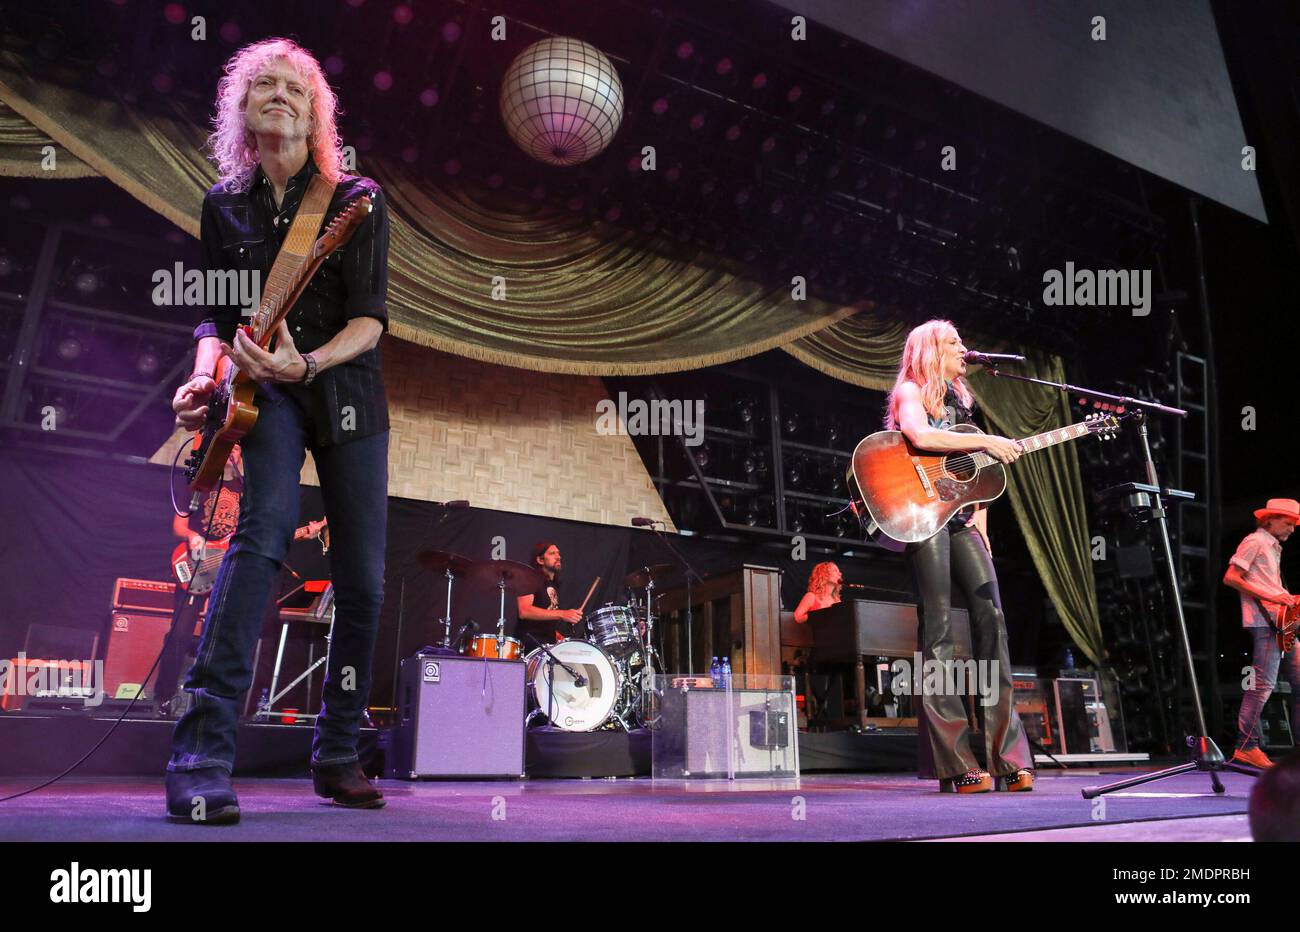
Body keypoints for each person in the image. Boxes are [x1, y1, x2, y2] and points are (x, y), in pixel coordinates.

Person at [167, 38, 390, 823]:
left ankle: (337, 753)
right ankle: (200, 756)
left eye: (296, 87)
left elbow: (371, 321)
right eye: (263, 84)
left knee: (362, 580)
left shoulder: (356, 197)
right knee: (261, 534)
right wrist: (205, 374)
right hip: (265, 389)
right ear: (242, 108)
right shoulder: (222, 204)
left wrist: (311, 362)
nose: (280, 94)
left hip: (345, 389)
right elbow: (217, 314)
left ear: (316, 111)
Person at [884, 319, 1033, 793]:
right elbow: (922, 436)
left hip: (963, 521)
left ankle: (1007, 758)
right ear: (930, 350)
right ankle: (955, 764)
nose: (964, 348)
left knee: (994, 620)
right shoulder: (911, 391)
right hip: (924, 518)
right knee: (939, 629)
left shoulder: (962, 403)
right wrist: (986, 439)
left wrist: (982, 528)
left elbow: (975, 478)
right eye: (954, 342)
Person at [1223, 498, 1300, 769]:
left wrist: (1286, 598)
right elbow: (1231, 577)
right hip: (1266, 624)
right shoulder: (1255, 541)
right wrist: (1274, 597)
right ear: (1270, 520)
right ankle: (1246, 746)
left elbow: (1266, 583)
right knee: (1261, 687)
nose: (1292, 529)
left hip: (1281, 622)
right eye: (1288, 523)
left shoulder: (1272, 546)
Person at [515, 541, 584, 647]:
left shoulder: (552, 584)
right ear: (540, 560)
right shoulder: (529, 579)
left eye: (558, 553)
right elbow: (524, 611)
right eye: (552, 553)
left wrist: (554, 634)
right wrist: (563, 614)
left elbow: (544, 616)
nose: (558, 557)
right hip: (531, 646)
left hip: (548, 645)